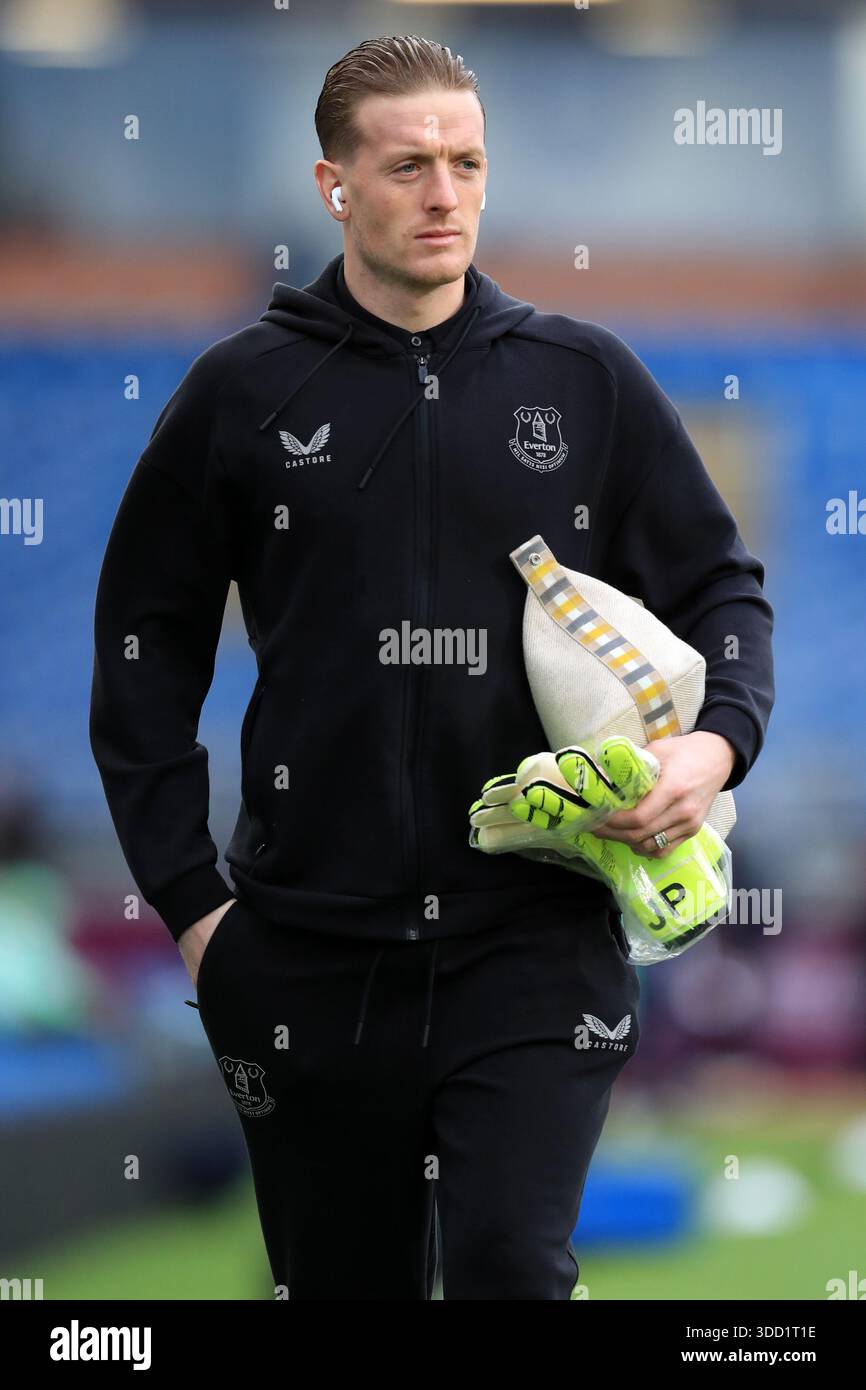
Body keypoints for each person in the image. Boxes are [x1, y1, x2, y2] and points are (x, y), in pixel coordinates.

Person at [89, 34, 775, 1300]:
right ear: (332, 185)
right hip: (303, 953)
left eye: (466, 162)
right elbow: (143, 656)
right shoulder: (239, 392)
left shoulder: (583, 382)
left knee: (513, 1269)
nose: (445, 193)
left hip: (534, 943)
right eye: (408, 165)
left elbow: (723, 592)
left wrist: (711, 740)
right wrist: (195, 912)